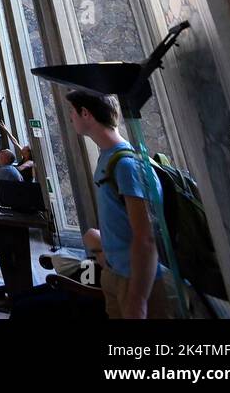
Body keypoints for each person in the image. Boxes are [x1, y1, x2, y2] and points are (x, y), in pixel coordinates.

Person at [67, 89, 177, 318]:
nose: (70, 117)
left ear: (85, 113)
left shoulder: (128, 164)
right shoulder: (107, 157)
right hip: (116, 274)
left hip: (137, 281)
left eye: (72, 112)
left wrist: (138, 301)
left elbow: (147, 238)